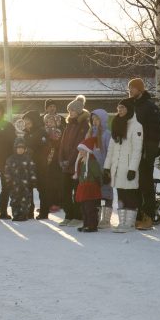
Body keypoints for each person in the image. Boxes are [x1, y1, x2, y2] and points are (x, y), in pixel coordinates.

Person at [127, 78, 160, 230]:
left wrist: (149, 152)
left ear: (140, 89)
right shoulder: (130, 106)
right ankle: (138, 215)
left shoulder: (150, 107)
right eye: (129, 88)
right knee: (134, 185)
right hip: (131, 152)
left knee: (146, 185)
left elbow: (155, 132)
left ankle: (149, 216)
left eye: (132, 88)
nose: (130, 91)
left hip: (145, 153)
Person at [105, 98, 143, 233]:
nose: (120, 110)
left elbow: (137, 150)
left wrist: (132, 168)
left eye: (123, 108)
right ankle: (122, 222)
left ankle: (129, 223)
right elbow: (111, 149)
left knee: (129, 196)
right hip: (117, 168)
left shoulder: (136, 126)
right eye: (118, 108)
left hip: (128, 168)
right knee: (120, 195)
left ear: (129, 109)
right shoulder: (116, 123)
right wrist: (107, 167)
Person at [56, 96, 89, 225]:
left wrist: (69, 161)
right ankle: (68, 215)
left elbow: (79, 145)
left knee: (77, 191)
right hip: (66, 165)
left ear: (79, 111)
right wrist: (61, 159)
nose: (70, 113)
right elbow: (62, 144)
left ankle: (77, 216)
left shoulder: (84, 126)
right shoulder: (69, 125)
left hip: (77, 164)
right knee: (65, 191)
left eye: (73, 111)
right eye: (69, 111)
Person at [87, 108, 113, 228]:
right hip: (92, 170)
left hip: (104, 168)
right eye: (93, 119)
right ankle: (95, 217)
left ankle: (106, 219)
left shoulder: (107, 134)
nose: (94, 121)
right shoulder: (90, 133)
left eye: (97, 119)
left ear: (102, 119)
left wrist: (108, 169)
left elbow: (110, 152)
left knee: (106, 193)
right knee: (95, 194)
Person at [73, 137, 104, 232]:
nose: (80, 152)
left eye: (82, 150)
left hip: (90, 188)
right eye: (80, 150)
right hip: (83, 188)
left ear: (87, 151)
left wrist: (98, 184)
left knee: (90, 208)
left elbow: (98, 175)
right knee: (83, 208)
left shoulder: (92, 162)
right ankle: (86, 224)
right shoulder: (82, 162)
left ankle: (92, 225)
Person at [4, 137, 37, 222]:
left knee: (25, 201)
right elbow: (7, 172)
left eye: (22, 148)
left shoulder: (28, 159)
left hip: (26, 186)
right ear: (15, 148)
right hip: (14, 186)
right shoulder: (10, 159)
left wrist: (33, 181)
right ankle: (16, 214)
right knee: (15, 200)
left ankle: (23, 215)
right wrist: (8, 182)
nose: (20, 150)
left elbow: (32, 171)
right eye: (18, 148)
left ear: (25, 149)